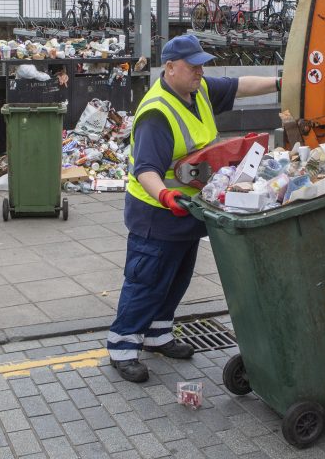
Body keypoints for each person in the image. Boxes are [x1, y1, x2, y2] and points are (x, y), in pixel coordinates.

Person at [107, 34, 279, 382]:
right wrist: (166, 197)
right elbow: (146, 170)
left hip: (187, 210)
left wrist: (281, 82)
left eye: (202, 65)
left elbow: (240, 86)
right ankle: (122, 345)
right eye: (193, 66)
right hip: (157, 212)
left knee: (177, 275)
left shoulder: (195, 90)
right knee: (146, 279)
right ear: (170, 68)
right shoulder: (157, 112)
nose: (200, 72)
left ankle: (158, 333)